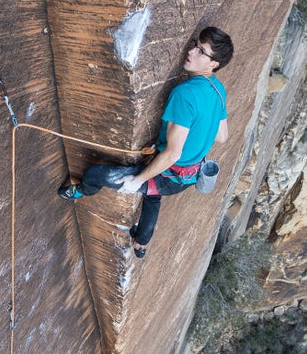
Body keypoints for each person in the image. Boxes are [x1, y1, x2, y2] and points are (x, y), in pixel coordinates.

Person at [58, 26, 234, 257]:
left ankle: (81, 190)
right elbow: (222, 136)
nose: (191, 51)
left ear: (213, 65)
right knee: (153, 195)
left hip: (170, 172)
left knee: (96, 174)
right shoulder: (218, 89)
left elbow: (172, 154)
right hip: (189, 175)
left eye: (201, 51)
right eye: (195, 44)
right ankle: (141, 243)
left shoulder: (185, 94)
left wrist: (136, 179)